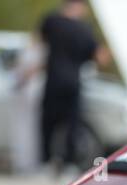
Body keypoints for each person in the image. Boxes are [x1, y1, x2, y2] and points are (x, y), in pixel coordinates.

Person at [32, 0, 108, 175]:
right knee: (72, 124)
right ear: (79, 6)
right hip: (74, 83)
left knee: (48, 123)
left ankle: (46, 162)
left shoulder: (51, 21)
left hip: (53, 80)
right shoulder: (85, 29)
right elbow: (100, 58)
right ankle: (68, 163)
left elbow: (38, 41)